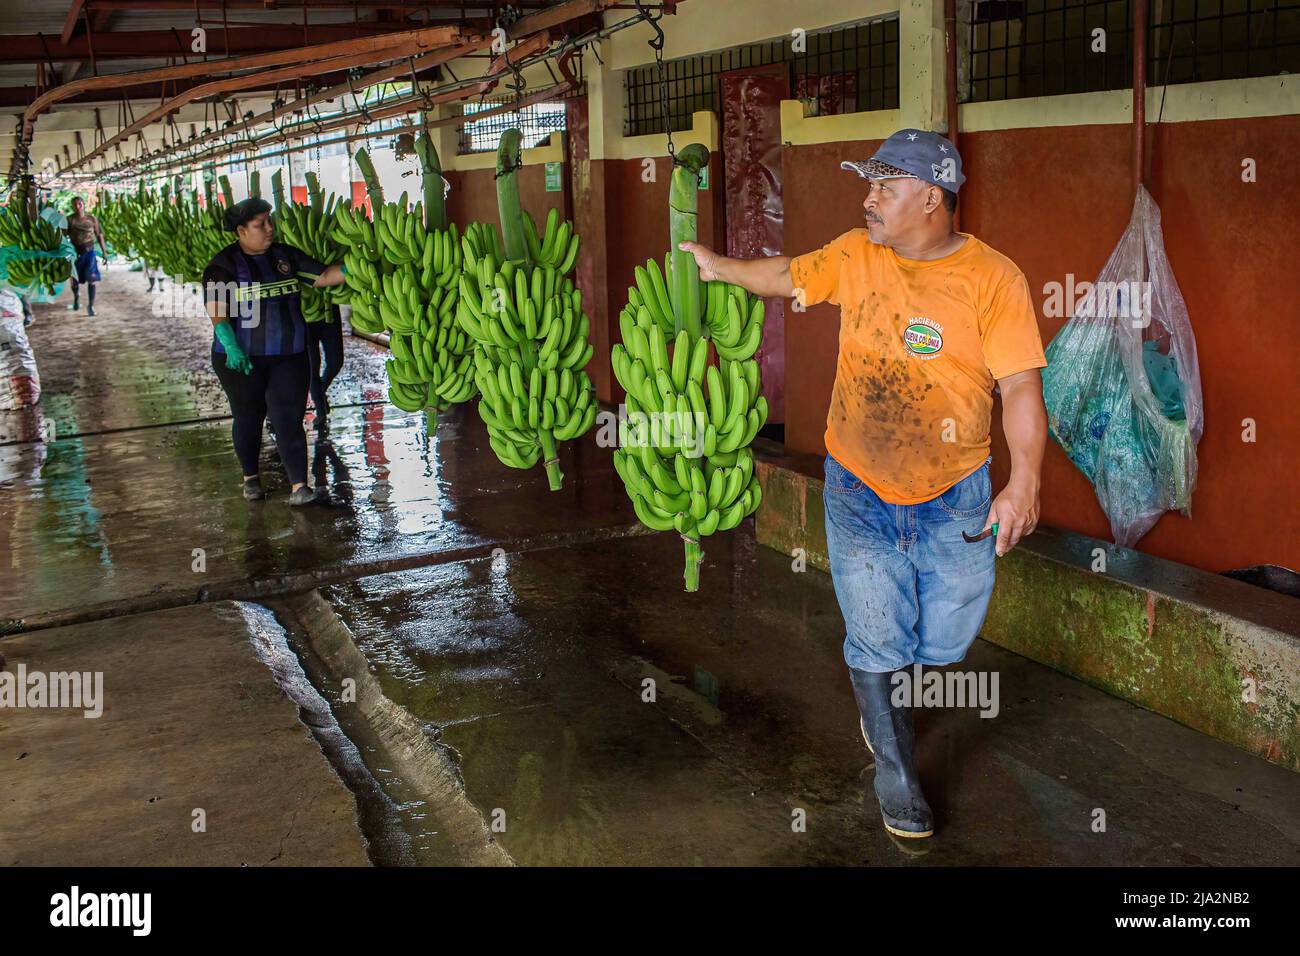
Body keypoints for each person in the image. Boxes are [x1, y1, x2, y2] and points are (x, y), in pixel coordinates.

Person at [678, 129, 1048, 840]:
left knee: (944, 640)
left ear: (932, 198)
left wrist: (1025, 480)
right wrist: (720, 268)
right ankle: (896, 769)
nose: (868, 199)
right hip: (860, 486)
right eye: (868, 185)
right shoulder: (857, 254)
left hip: (956, 494)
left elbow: (1022, 390)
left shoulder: (993, 279)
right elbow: (789, 275)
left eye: (885, 187)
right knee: (879, 635)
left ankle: (892, 694)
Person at [203, 197, 346, 505]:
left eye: (270, 221)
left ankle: (299, 488)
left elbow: (321, 276)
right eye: (260, 225)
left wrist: (356, 268)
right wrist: (230, 345)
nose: (269, 229)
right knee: (248, 416)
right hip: (241, 357)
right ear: (241, 230)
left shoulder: (284, 256)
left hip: (289, 353)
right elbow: (218, 312)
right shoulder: (223, 264)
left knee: (289, 417)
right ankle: (250, 478)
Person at [64, 197, 108, 316]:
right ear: (72, 207)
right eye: (75, 205)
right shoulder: (70, 220)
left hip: (90, 252)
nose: (78, 206)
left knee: (92, 279)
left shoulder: (91, 219)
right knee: (74, 280)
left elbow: (99, 235)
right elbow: (63, 236)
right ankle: (76, 296)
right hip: (76, 253)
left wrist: (104, 252)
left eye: (79, 204)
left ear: (83, 204)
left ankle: (91, 306)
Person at [307, 303, 345, 436]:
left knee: (336, 362)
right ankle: (321, 411)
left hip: (329, 311)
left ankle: (319, 393)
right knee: (312, 368)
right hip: (304, 315)